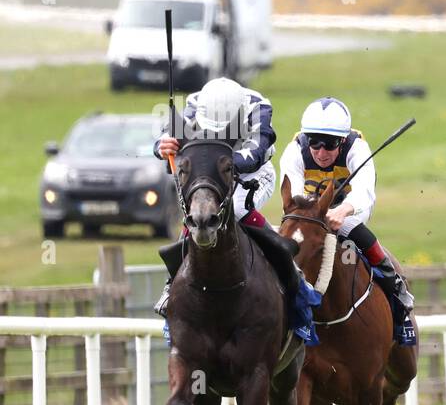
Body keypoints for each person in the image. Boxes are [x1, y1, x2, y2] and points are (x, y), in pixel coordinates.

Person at [280, 97, 417, 344]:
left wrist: (342, 210)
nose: (321, 152)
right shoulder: (294, 151)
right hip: (308, 212)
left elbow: (365, 192)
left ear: (342, 141)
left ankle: (397, 296)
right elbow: (295, 194)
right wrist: (314, 215)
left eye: (330, 144)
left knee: (353, 229)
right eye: (314, 142)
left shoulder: (357, 149)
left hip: (348, 211)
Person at [152, 76, 281, 316]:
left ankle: (288, 268)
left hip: (252, 173)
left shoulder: (258, 106)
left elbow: (256, 151)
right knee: (197, 212)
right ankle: (172, 283)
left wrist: (217, 163)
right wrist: (163, 145)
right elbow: (167, 135)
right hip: (210, 175)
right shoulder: (196, 102)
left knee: (237, 209)